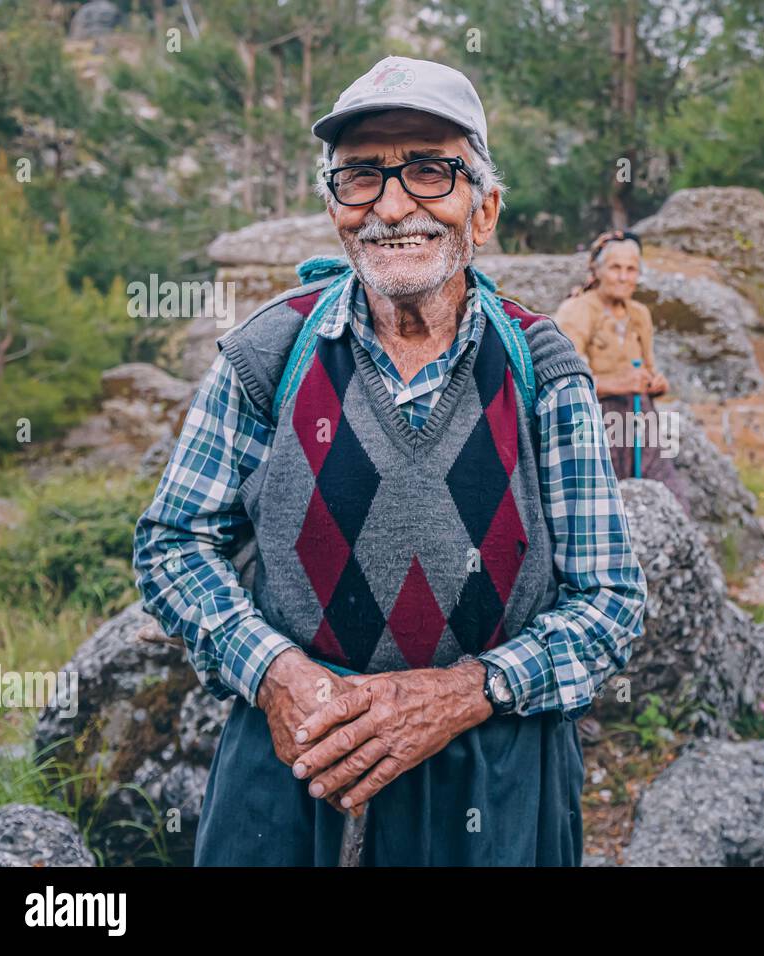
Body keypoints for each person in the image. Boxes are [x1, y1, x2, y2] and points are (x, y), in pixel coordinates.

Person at [132, 56, 647, 866]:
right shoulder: (268, 354)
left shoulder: (544, 370)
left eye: (430, 170)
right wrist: (274, 673)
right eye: (361, 176)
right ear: (335, 208)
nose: (393, 204)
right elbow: (172, 544)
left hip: (495, 786)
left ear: (484, 210)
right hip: (294, 770)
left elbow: (610, 601)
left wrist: (462, 693)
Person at [552, 230, 690, 511]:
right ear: (597, 270)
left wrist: (656, 383)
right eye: (615, 268)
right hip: (592, 420)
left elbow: (650, 369)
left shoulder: (639, 314)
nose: (624, 277)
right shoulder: (577, 310)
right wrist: (618, 383)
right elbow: (562, 382)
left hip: (640, 418)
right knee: (606, 506)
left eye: (631, 269)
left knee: (668, 500)